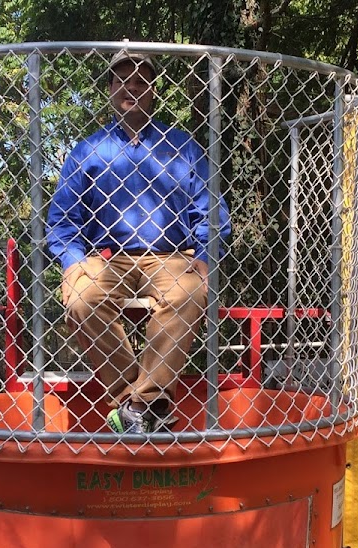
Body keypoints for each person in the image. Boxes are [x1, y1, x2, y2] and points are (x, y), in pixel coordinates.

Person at [47, 49, 231, 434]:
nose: (132, 86)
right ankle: (143, 404)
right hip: (107, 257)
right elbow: (63, 220)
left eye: (141, 80)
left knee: (190, 292)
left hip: (172, 256)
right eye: (122, 79)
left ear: (153, 90)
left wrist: (205, 256)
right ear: (111, 89)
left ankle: (136, 406)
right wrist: (72, 261)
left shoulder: (182, 146)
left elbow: (210, 211)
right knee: (81, 299)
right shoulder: (88, 150)